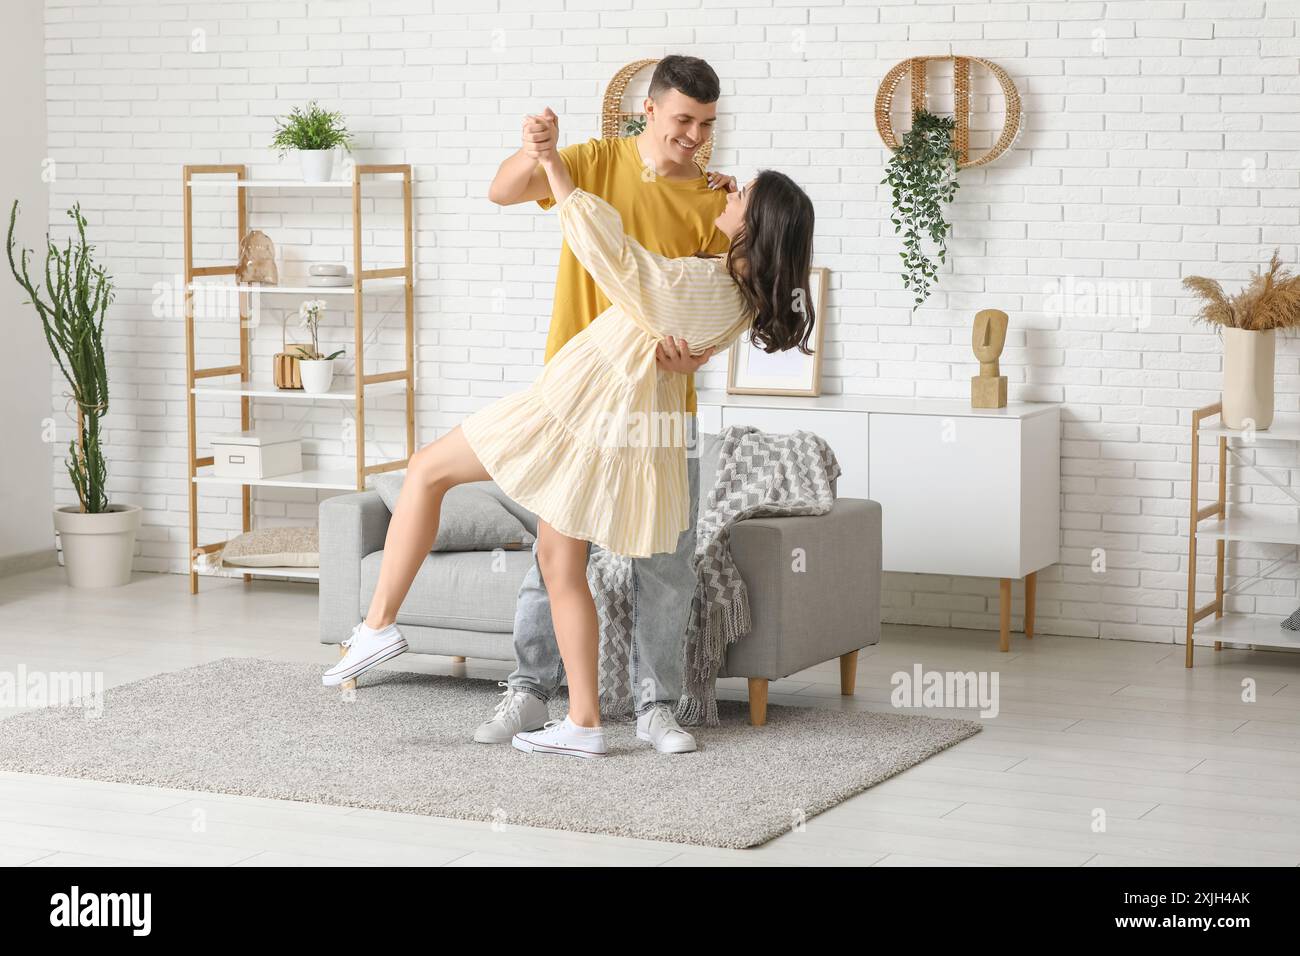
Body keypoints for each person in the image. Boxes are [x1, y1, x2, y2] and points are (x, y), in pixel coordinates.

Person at [322, 117, 818, 760]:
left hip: (573, 411)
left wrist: (556, 168)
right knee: (559, 566)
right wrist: (725, 202)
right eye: (689, 122)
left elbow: (615, 257)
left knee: (426, 470)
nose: (727, 192)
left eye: (741, 198)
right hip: (605, 419)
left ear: (755, 226)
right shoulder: (735, 292)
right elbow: (687, 300)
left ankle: (380, 625)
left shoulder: (698, 284)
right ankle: (582, 721)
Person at [477, 54, 738, 754]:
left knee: (666, 562)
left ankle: (658, 708)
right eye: (683, 119)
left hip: (661, 410)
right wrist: (536, 150)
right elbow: (503, 191)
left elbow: (710, 308)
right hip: (576, 400)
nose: (695, 136)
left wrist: (697, 358)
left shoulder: (719, 201)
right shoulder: (593, 160)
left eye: (707, 124)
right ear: (647, 110)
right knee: (555, 557)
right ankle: (532, 692)